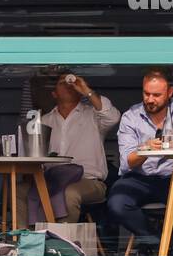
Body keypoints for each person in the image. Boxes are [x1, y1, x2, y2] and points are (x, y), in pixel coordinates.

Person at [106, 68, 173, 254]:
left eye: (156, 95)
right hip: (138, 178)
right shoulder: (130, 116)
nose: (150, 99)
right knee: (116, 204)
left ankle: (154, 241)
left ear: (170, 92)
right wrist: (145, 149)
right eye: (146, 93)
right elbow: (127, 162)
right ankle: (161, 244)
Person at [13, 72, 120, 225]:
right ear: (54, 93)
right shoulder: (43, 121)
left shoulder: (93, 116)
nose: (68, 84)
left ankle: (62, 244)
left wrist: (85, 89)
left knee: (68, 193)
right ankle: (28, 241)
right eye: (61, 82)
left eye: (70, 81)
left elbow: (112, 117)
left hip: (88, 181)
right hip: (50, 181)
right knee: (18, 191)